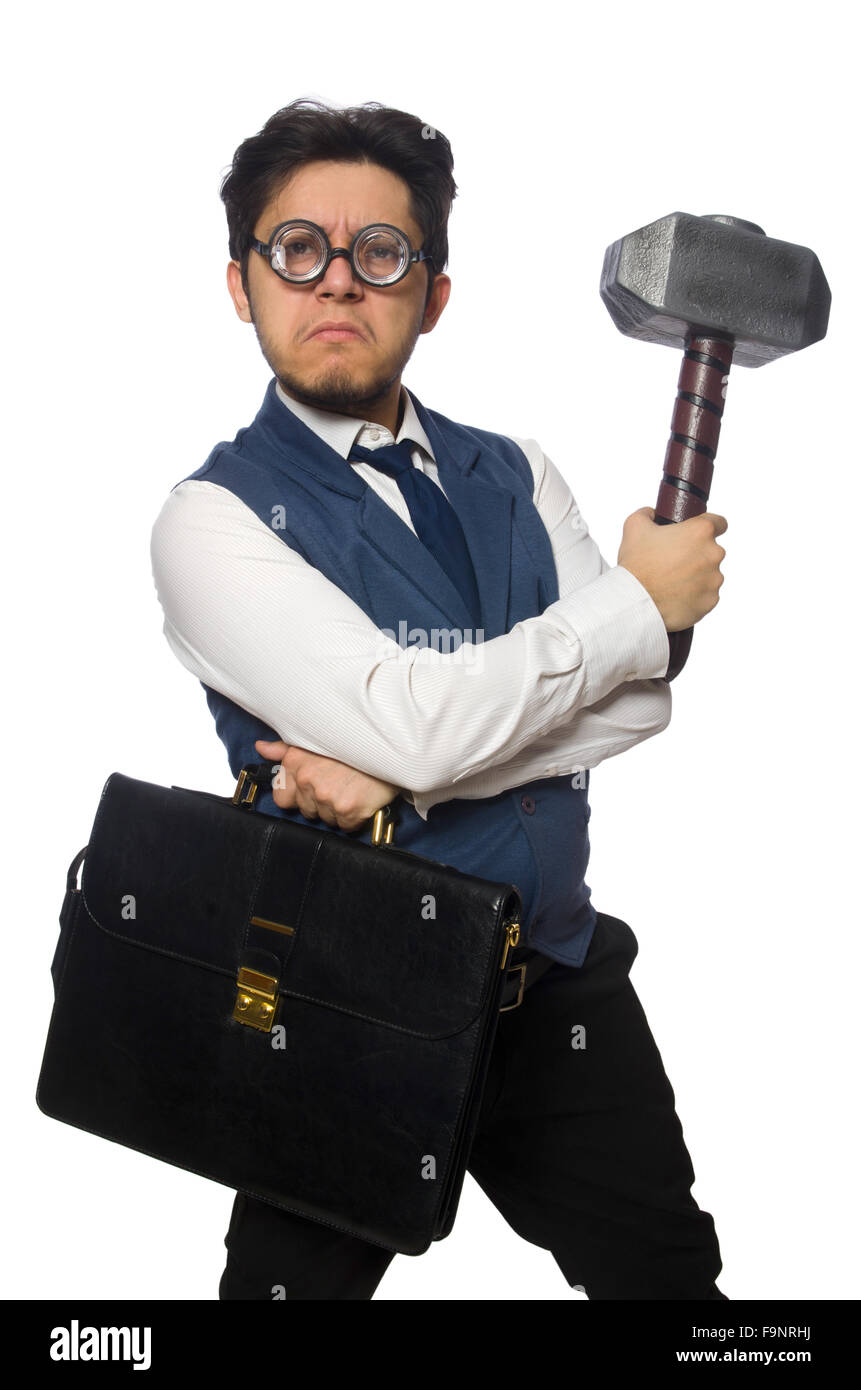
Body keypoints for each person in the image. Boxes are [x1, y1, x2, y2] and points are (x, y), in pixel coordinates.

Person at [150, 98, 729, 1300]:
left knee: (683, 1306)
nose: (338, 284)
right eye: (297, 249)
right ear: (241, 282)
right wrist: (630, 608)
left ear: (434, 291)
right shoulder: (207, 524)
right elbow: (437, 712)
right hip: (338, 1002)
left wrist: (396, 762)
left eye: (383, 254)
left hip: (555, 982)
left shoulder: (516, 472)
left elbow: (642, 709)